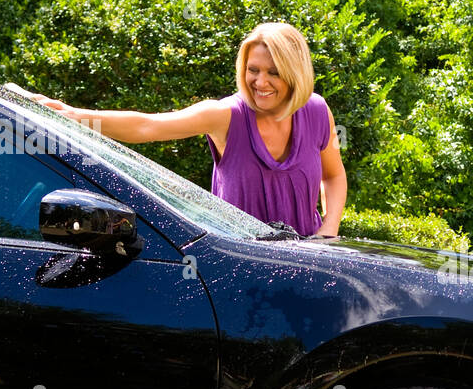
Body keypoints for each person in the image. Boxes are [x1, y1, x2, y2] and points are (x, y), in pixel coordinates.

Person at [25, 21, 346, 237]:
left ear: (295, 72)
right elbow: (147, 125)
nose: (260, 82)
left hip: (308, 263)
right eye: (253, 70)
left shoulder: (316, 111)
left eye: (273, 72)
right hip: (245, 266)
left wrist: (328, 233)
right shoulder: (225, 116)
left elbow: (333, 176)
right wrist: (74, 115)